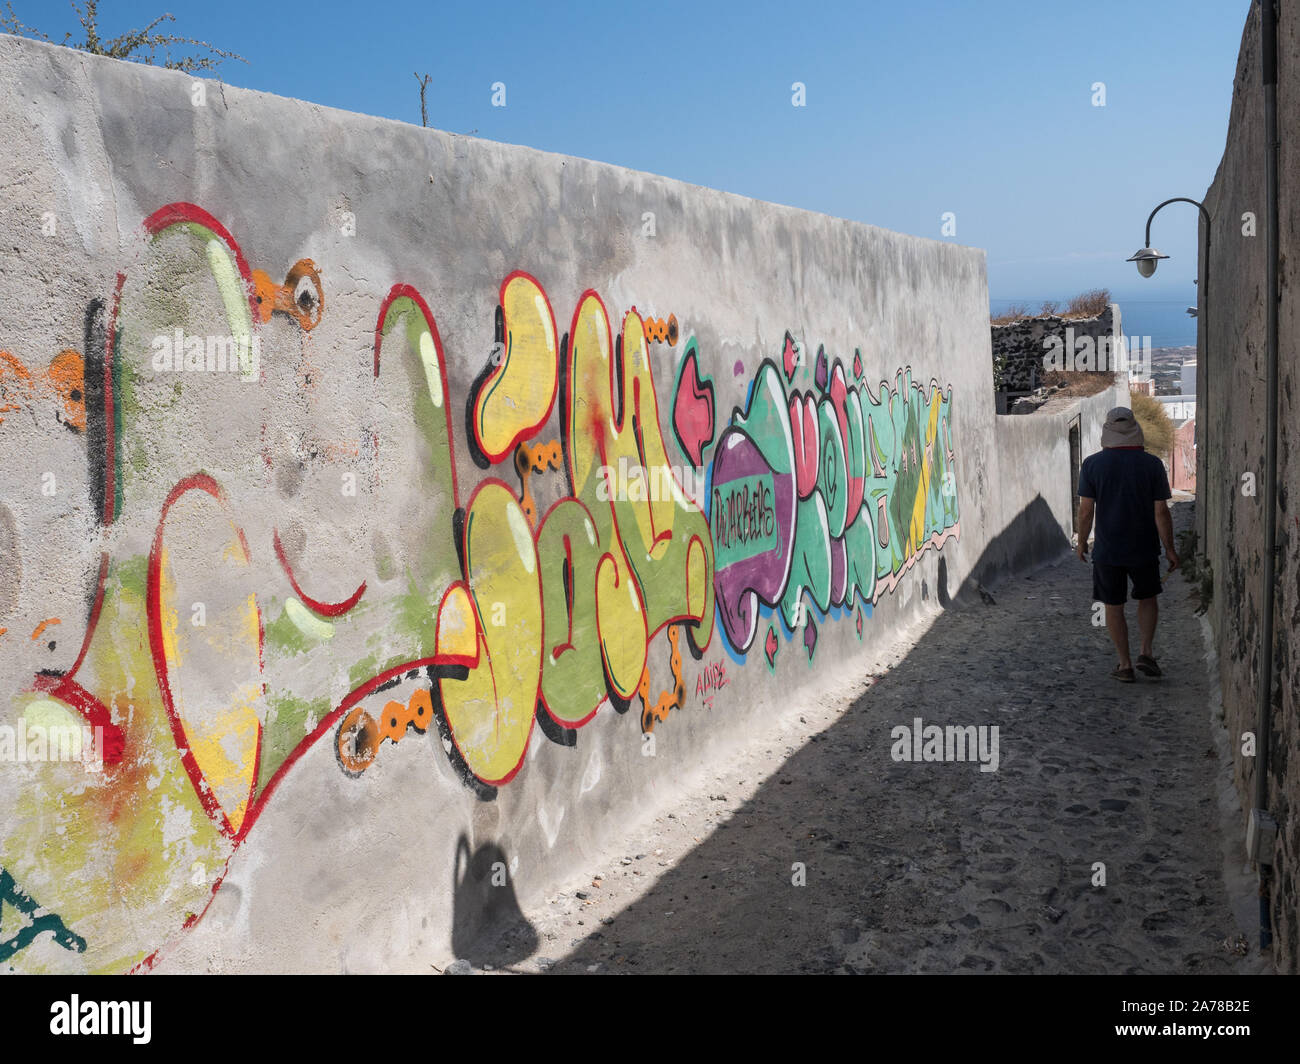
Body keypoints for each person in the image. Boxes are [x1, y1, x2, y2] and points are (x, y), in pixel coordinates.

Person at [1075, 406, 1180, 682]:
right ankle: (1146, 651)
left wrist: (1082, 542)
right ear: (1135, 428)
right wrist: (1169, 548)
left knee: (1113, 605)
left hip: (1108, 550)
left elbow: (1086, 510)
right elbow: (1161, 512)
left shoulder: (1092, 465)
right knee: (1147, 598)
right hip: (1144, 548)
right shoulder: (1152, 465)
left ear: (1107, 430)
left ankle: (1124, 665)